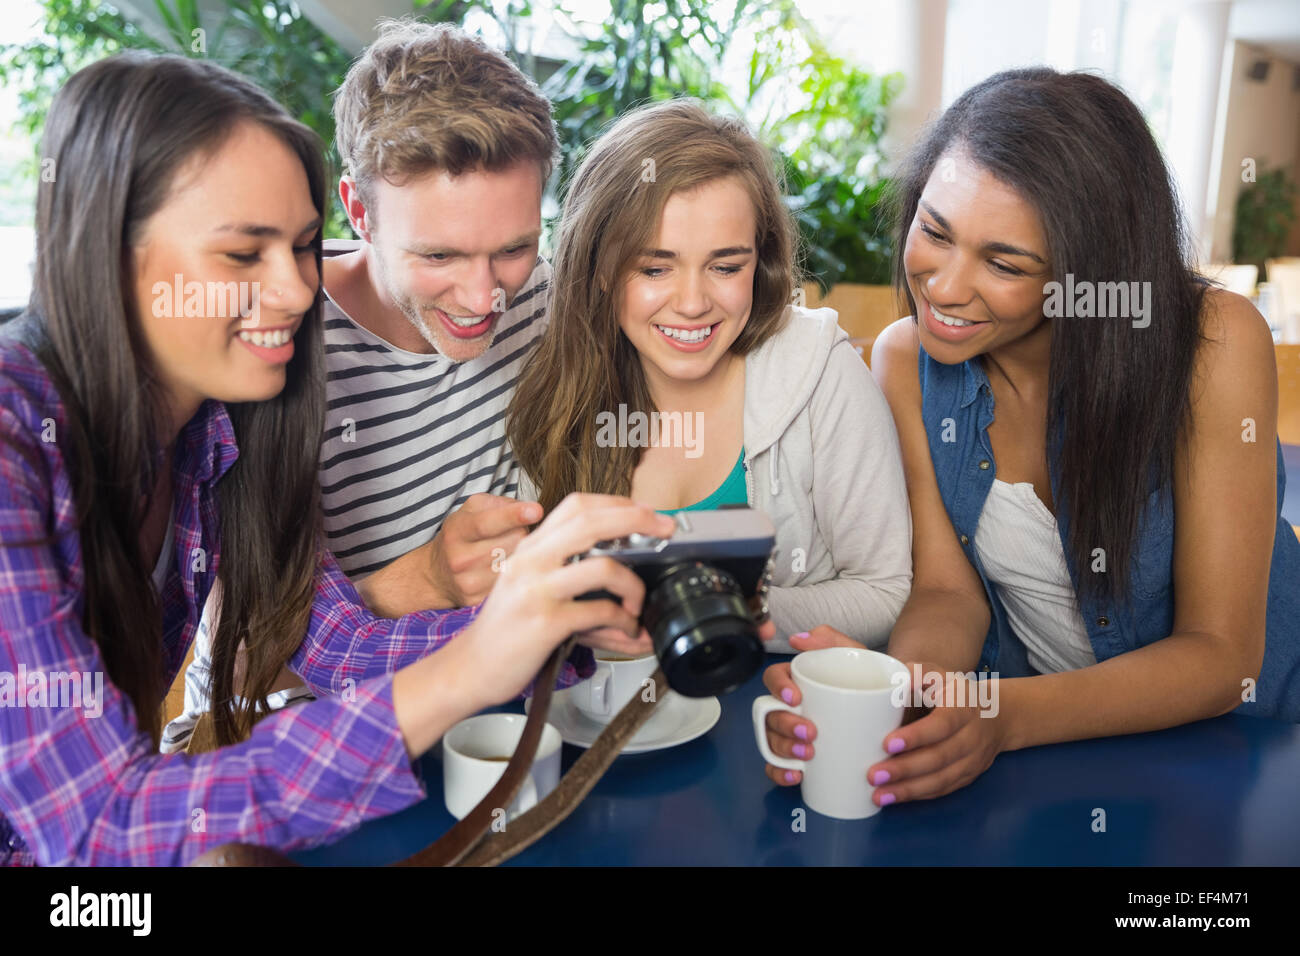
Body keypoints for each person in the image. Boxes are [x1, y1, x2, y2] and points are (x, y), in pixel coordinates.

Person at [0, 51, 674, 866]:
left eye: (303, 245)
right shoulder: (15, 438)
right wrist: (473, 659)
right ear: (109, 254)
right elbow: (96, 829)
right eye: (243, 254)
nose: (293, 290)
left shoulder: (210, 422)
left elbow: (326, 638)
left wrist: (557, 629)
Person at [761, 67, 1300, 808]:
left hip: (1250, 755)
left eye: (1005, 263)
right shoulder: (901, 359)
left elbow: (1221, 655)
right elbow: (949, 594)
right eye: (934, 231)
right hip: (1056, 767)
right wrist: (898, 697)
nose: (944, 287)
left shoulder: (1212, 342)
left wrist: (999, 715)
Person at [162, 21, 569, 752]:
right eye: (439, 253)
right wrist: (429, 579)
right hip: (285, 736)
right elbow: (256, 655)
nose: (485, 298)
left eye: (513, 246)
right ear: (356, 210)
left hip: (487, 725)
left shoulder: (541, 297)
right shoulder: (270, 345)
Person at [508, 100, 913, 653]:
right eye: (654, 268)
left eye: (726, 267)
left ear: (761, 263)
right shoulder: (559, 388)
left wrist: (697, 614)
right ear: (600, 269)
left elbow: (886, 590)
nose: (693, 303)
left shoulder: (822, 370)